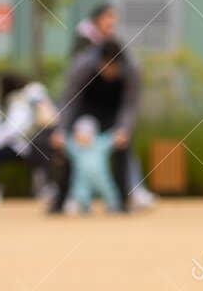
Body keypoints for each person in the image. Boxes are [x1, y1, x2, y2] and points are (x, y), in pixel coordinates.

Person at [49, 39, 139, 214]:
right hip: (84, 109)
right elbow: (70, 98)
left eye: (114, 67)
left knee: (122, 149)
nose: (110, 72)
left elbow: (130, 104)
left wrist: (123, 129)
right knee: (66, 150)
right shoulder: (83, 65)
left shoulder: (132, 70)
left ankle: (121, 202)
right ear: (99, 61)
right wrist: (61, 130)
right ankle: (59, 202)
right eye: (106, 66)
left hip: (114, 112)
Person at [0, 72, 57, 198]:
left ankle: (46, 187)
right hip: (28, 144)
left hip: (34, 144)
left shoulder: (24, 97)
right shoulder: (24, 96)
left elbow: (13, 129)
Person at [61, 116, 122, 214]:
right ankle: (83, 206)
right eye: (79, 133)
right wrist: (60, 140)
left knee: (109, 191)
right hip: (82, 179)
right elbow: (64, 142)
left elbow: (111, 139)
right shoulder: (75, 147)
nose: (82, 136)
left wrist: (117, 137)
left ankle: (113, 206)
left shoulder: (100, 143)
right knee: (79, 191)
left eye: (85, 133)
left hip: (102, 178)